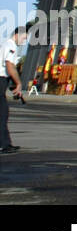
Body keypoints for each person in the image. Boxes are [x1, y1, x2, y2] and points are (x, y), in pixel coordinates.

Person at [2, 25, 25, 153]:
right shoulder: (10, 45)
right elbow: (9, 66)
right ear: (17, 35)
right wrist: (18, 83)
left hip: (3, 80)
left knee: (2, 114)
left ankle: (5, 143)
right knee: (3, 114)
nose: (24, 41)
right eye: (23, 38)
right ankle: (4, 145)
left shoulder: (6, 44)